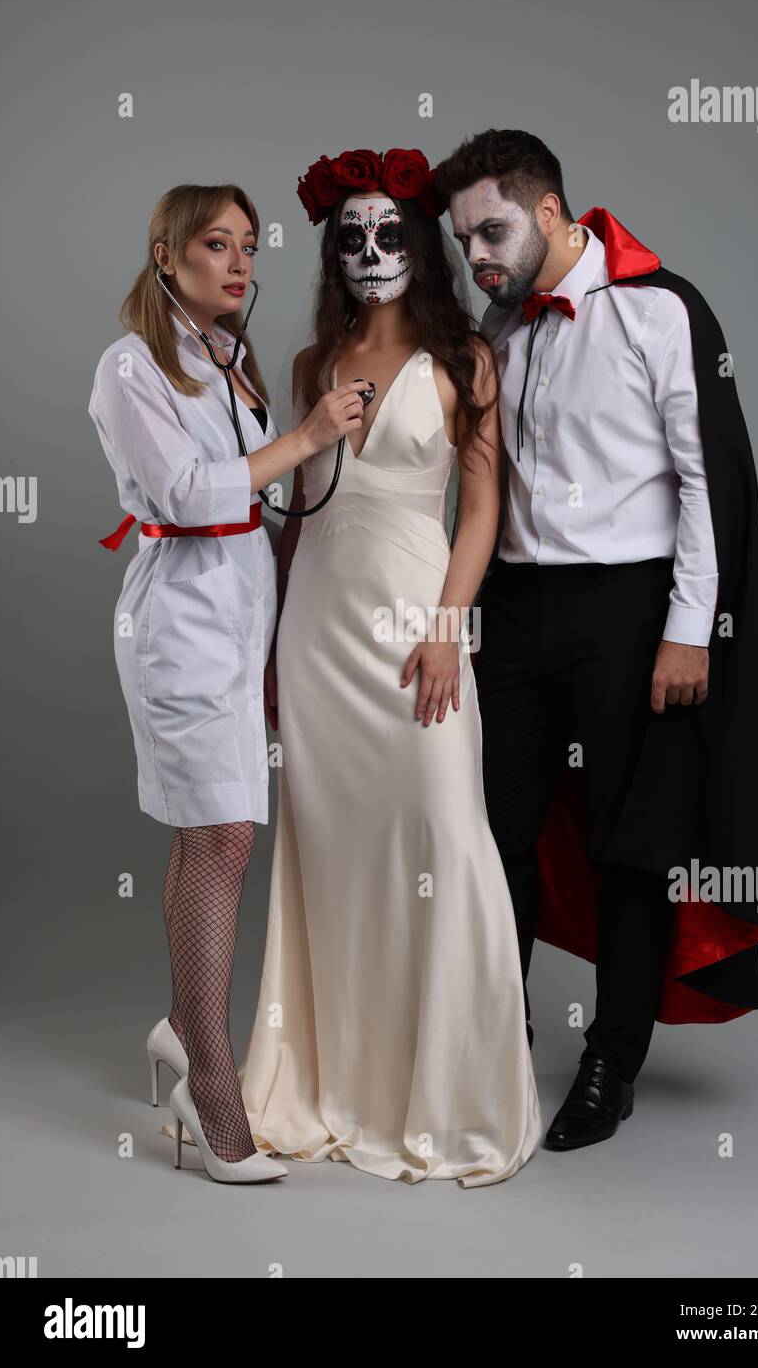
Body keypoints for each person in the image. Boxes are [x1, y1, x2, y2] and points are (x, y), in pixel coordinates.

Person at [433, 129, 758, 1151]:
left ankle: (610, 1062)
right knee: (495, 830)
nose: (476, 256)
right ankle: (500, 1036)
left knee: (634, 845)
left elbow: (708, 480)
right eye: (462, 239)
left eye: (490, 230)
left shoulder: (660, 308)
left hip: (630, 612)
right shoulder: (501, 324)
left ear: (547, 211)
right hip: (518, 609)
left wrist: (689, 631)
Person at [237, 147, 542, 1187]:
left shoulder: (468, 361)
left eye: (392, 234)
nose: (374, 253)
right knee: (332, 853)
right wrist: (270, 648)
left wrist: (448, 627)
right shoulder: (313, 364)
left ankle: (448, 1094)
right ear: (337, 252)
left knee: (444, 832)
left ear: (420, 245)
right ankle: (342, 1082)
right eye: (354, 239)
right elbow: (294, 511)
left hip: (418, 617)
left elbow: (484, 506)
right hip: (318, 627)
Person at [89, 182, 364, 1183]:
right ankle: (211, 1082)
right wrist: (307, 437)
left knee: (205, 833)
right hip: (178, 630)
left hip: (239, 624)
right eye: (217, 244)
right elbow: (187, 492)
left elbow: (262, 499)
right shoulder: (130, 367)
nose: (242, 263)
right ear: (166, 255)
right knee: (224, 840)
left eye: (250, 245)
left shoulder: (230, 358)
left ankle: (177, 1027)